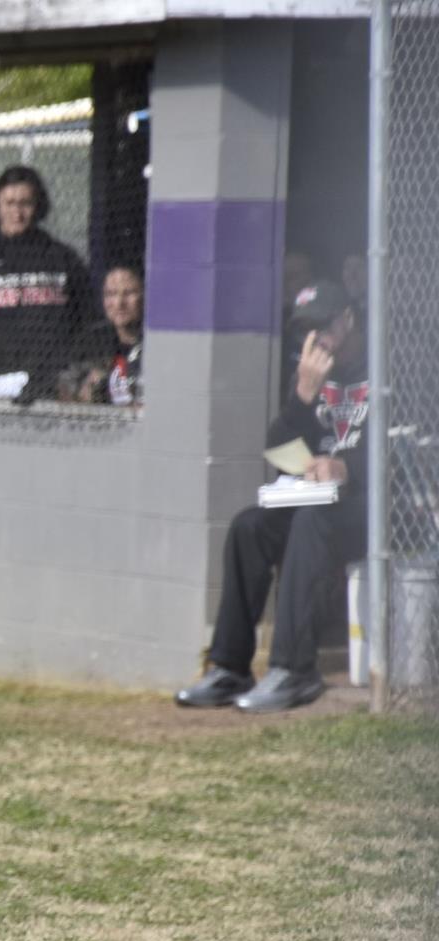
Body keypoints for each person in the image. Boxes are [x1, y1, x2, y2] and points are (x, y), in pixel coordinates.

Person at [176, 281, 368, 713]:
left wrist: (348, 466)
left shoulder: (383, 366)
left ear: (348, 320)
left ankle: (294, 670)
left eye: (324, 326)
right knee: (249, 526)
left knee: (311, 521)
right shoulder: (311, 374)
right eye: (306, 331)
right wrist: (302, 396)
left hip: (371, 507)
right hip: (319, 501)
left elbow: (404, 443)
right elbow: (281, 453)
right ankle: (229, 666)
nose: (315, 339)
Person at [0, 164, 97, 401]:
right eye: (10, 203)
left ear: (38, 206)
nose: (17, 212)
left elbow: (86, 314)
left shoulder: (60, 257)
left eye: (25, 203)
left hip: (52, 380)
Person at [60, 264, 143, 406]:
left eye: (129, 293)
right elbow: (65, 390)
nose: (119, 303)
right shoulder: (90, 342)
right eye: (111, 294)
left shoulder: (157, 344)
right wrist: (85, 389)